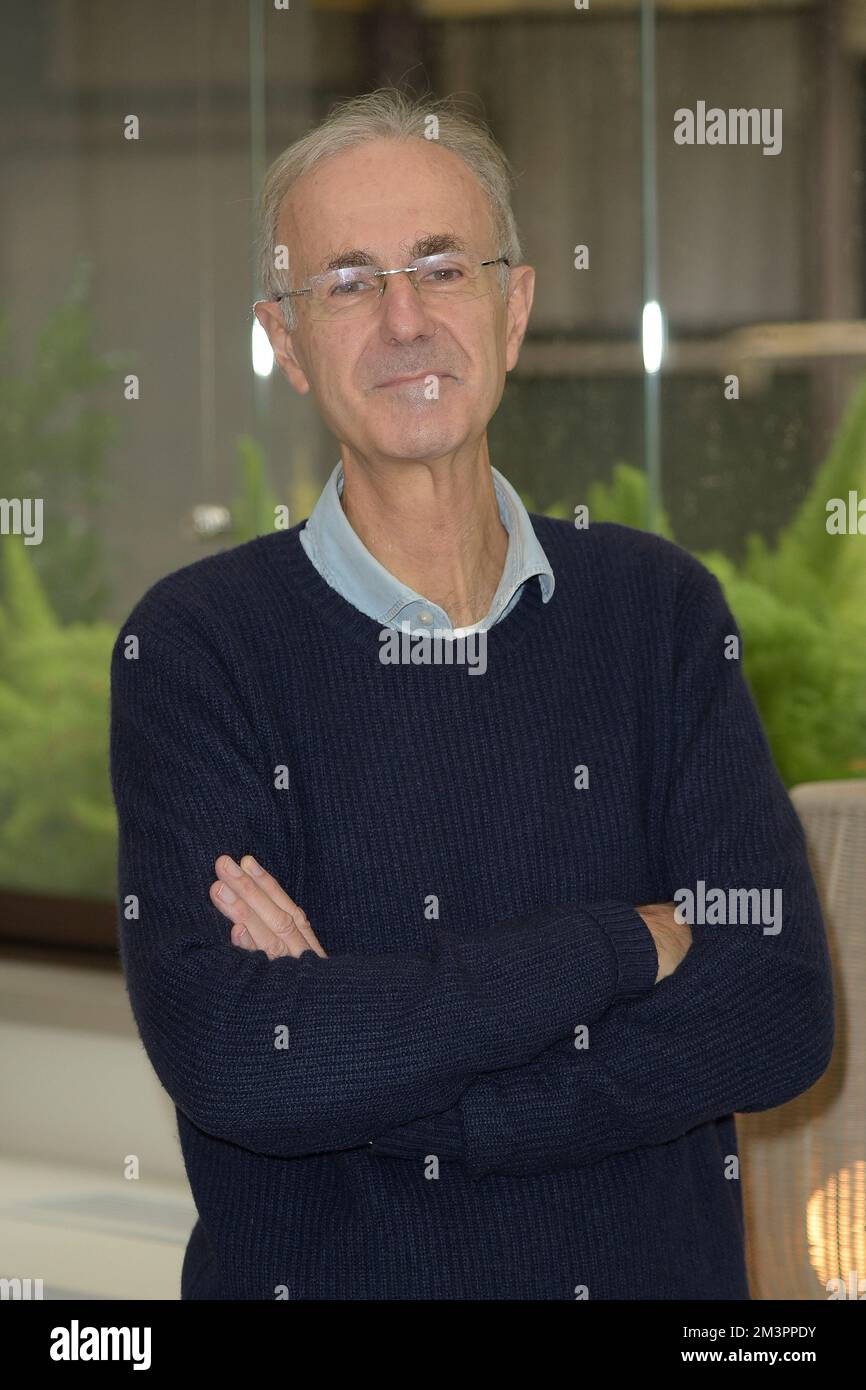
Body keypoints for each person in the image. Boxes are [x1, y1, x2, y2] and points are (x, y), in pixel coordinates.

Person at [109, 87, 834, 1300]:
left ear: (514, 309)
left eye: (442, 268)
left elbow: (774, 1009)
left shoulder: (655, 612)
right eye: (347, 282)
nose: (404, 320)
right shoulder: (196, 651)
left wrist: (406, 1086)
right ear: (285, 340)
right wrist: (624, 940)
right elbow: (244, 1058)